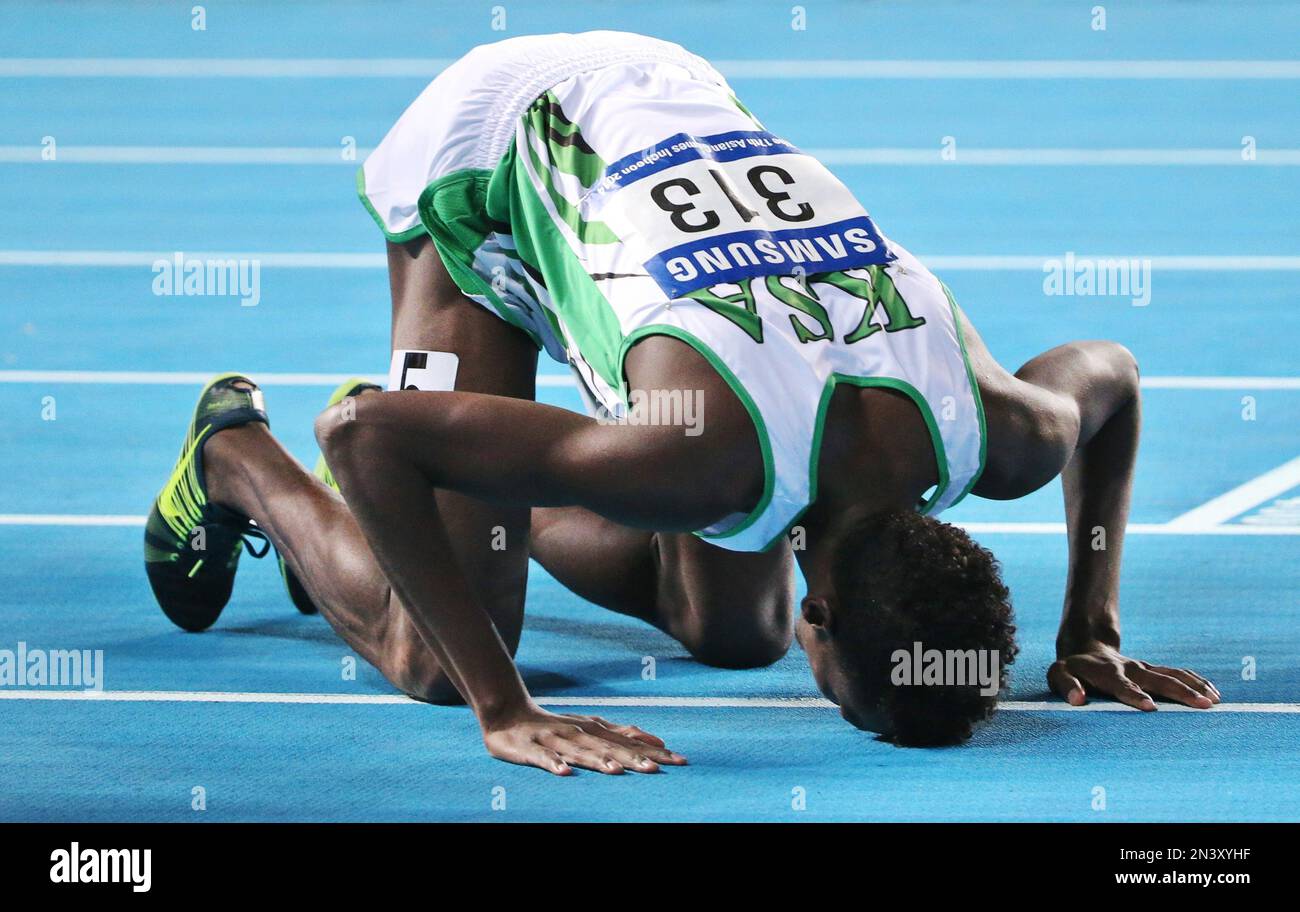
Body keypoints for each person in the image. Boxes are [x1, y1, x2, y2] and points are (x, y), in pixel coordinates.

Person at [143, 31, 1219, 776]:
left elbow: (1108, 373)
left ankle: (458, 462)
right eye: (833, 689)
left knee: (733, 628)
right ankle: (240, 455)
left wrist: (1092, 625)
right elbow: (358, 432)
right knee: (433, 654)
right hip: (487, 160)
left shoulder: (1001, 431)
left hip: (663, 92)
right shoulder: (691, 462)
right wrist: (505, 709)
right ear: (829, 618)